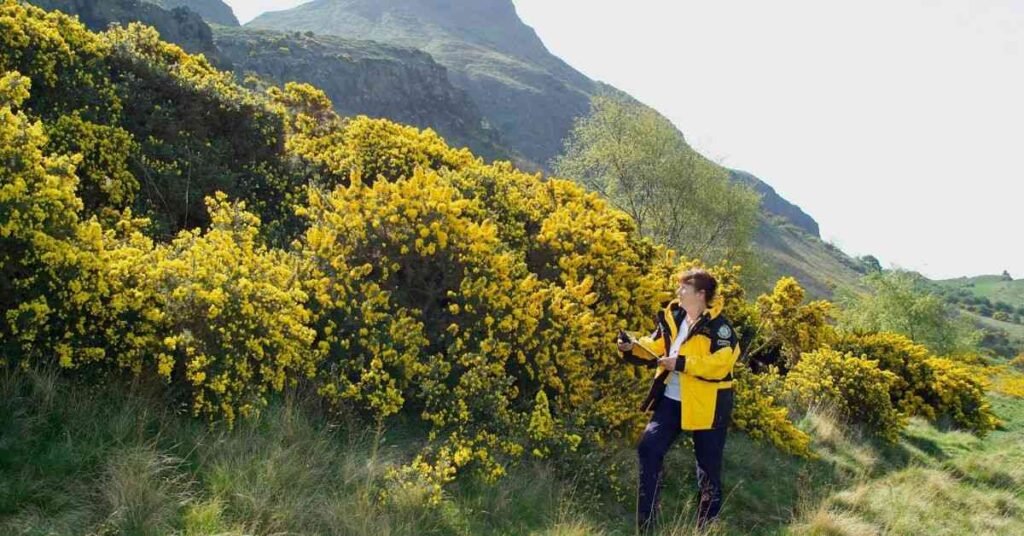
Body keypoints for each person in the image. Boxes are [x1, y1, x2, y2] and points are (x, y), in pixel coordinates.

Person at [617, 268, 740, 532]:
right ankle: (646, 525)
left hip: (709, 406)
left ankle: (705, 528)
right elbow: (655, 346)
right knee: (648, 448)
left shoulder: (721, 329)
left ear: (701, 294)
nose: (678, 292)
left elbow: (720, 365)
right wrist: (631, 347)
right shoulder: (673, 317)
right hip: (671, 400)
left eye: (684, 288)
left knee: (707, 470)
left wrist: (682, 363)